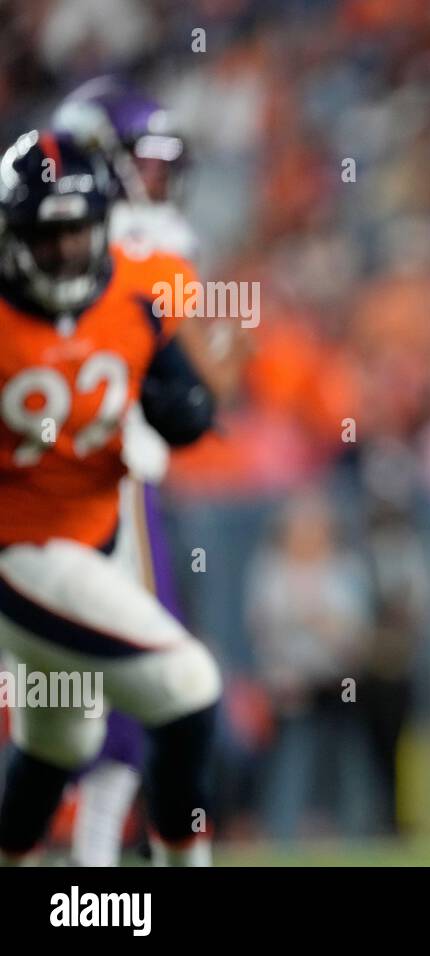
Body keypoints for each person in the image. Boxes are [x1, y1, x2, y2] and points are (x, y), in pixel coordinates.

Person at [0, 130, 221, 865]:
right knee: (188, 687)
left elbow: (178, 390)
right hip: (18, 550)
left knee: (63, 743)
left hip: (91, 540)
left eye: (76, 231)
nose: (63, 251)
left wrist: (184, 406)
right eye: (45, 234)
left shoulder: (141, 287)